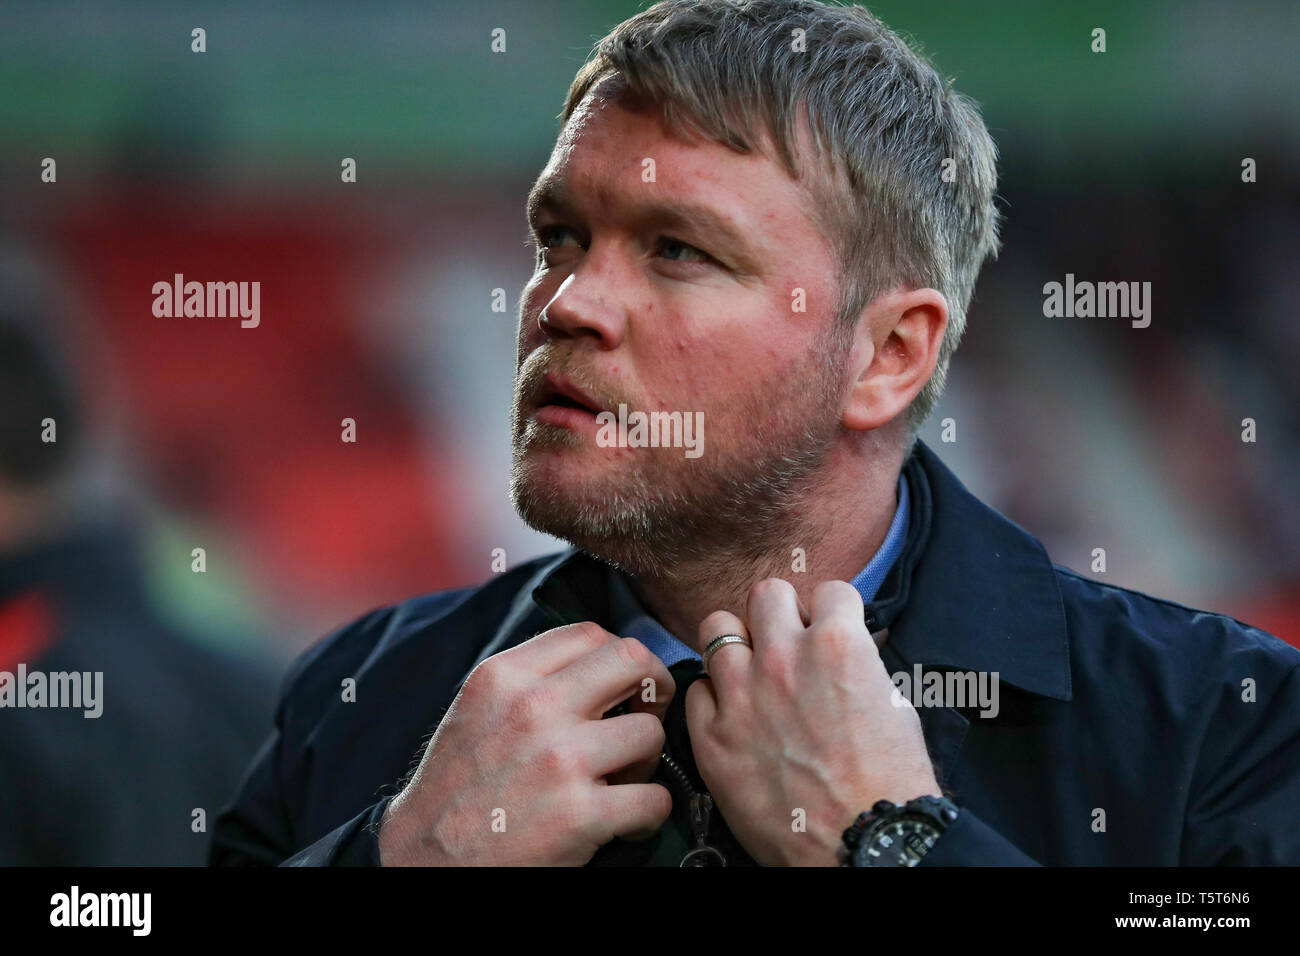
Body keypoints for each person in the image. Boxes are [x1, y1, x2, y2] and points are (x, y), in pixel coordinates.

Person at [211, 0, 1300, 867]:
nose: (567, 302)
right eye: (560, 236)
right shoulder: (357, 691)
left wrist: (897, 843)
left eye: (678, 250)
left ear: (887, 356)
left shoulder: (1221, 722)